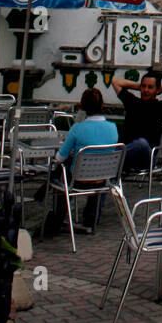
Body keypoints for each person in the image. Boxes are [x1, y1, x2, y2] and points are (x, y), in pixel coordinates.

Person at [44, 87, 119, 234]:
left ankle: (56, 219)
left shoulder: (78, 128)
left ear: (82, 107)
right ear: (102, 105)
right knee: (95, 165)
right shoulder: (113, 128)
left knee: (62, 171)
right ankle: (91, 218)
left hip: (78, 179)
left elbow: (60, 157)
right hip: (103, 178)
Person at [111, 69, 162, 173]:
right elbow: (115, 81)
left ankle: (111, 160)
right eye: (144, 86)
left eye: (150, 87)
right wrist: (138, 86)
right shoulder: (132, 102)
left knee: (141, 144)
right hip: (127, 154)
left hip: (147, 157)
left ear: (157, 90)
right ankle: (112, 159)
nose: (146, 90)